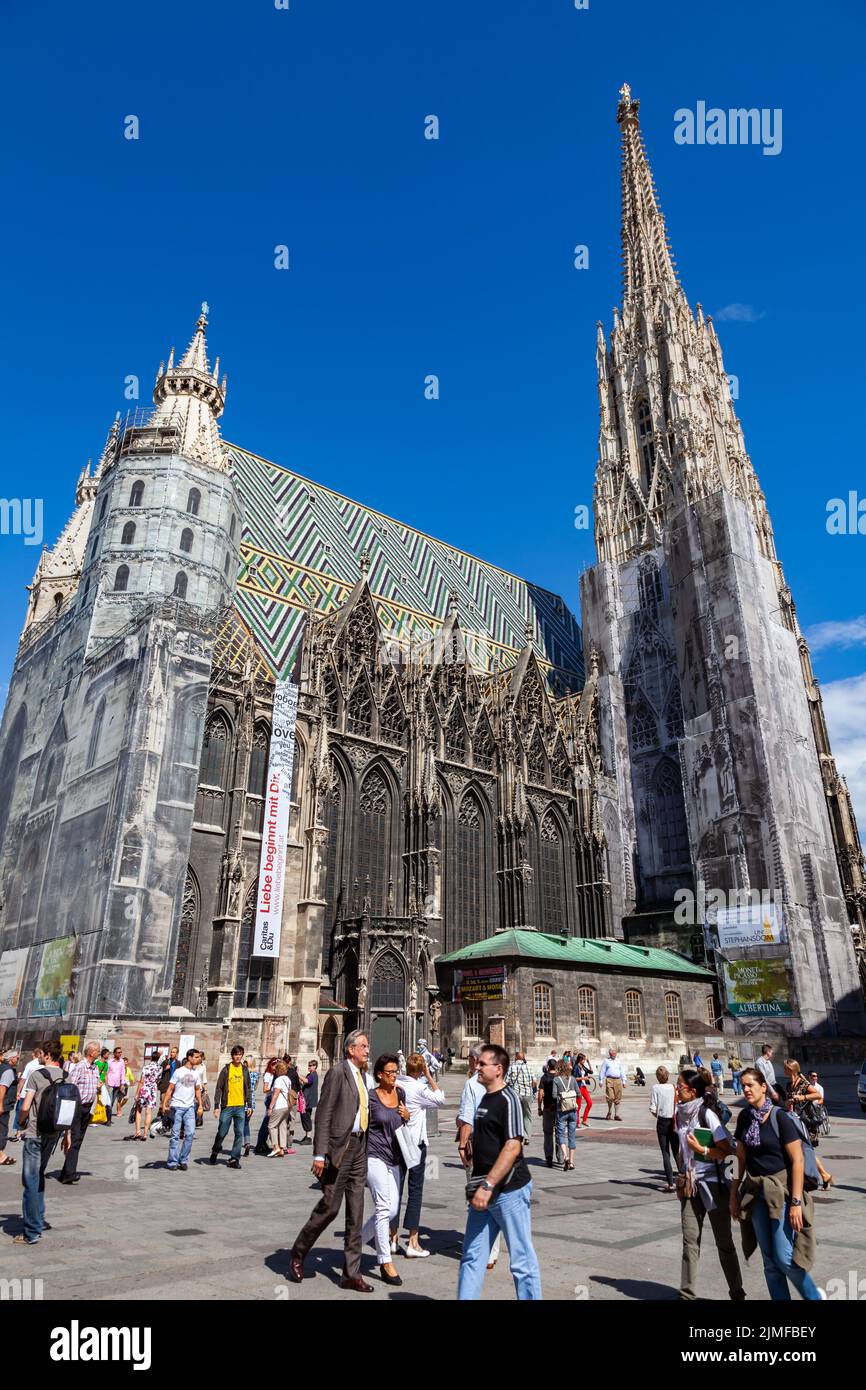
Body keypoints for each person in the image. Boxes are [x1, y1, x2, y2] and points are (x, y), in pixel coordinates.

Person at [288, 1029, 374, 1291]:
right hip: (340, 1148)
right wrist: (319, 1153)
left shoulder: (363, 1076)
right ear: (350, 1049)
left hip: (360, 1147)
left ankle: (351, 1273)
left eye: (367, 1046)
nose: (367, 1050)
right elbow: (323, 1114)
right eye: (363, 1046)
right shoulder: (338, 1073)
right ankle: (299, 1252)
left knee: (356, 1212)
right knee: (330, 1207)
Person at [730, 1066, 824, 1301]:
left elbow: (798, 1159)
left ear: (764, 1087)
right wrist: (734, 1194)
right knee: (769, 1261)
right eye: (743, 1086)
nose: (746, 1089)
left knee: (783, 1257)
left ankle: (813, 1296)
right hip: (756, 1192)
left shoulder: (780, 1117)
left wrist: (795, 1202)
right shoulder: (744, 1118)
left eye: (750, 1085)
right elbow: (740, 1158)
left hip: (781, 1192)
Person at [457, 1044, 541, 1300]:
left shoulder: (508, 1099)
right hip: (484, 1191)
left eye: (482, 1064)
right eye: (477, 1063)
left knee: (521, 1259)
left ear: (499, 1069)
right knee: (472, 1255)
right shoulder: (484, 1098)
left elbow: (513, 1145)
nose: (477, 1067)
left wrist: (488, 1185)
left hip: (507, 1190)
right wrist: (468, 1144)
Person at [675, 1068, 744, 1302]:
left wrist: (702, 1150)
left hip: (713, 1185)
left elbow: (727, 1149)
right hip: (690, 1185)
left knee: (723, 1242)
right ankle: (687, 1295)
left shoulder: (707, 1114)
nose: (677, 1090)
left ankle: (737, 1292)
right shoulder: (680, 1114)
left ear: (692, 1091)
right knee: (689, 1241)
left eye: (680, 1087)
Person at [15, 1039, 78, 1245]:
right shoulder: (66, 1076)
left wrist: (21, 1123)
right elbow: (68, 1109)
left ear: (47, 1055)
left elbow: (25, 1106)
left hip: (34, 1132)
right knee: (38, 1175)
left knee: (30, 1181)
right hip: (54, 1133)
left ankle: (31, 1231)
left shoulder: (36, 1075)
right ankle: (39, 1218)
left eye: (41, 1053)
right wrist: (67, 1136)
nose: (39, 1056)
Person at [360, 1053, 409, 1286]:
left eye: (396, 1071)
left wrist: (407, 1116)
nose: (394, 1076)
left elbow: (401, 1120)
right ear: (379, 1074)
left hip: (395, 1157)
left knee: (391, 1211)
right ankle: (385, 1262)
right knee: (382, 1207)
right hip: (374, 1155)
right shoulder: (370, 1097)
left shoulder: (400, 1093)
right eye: (390, 1072)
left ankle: (356, 1241)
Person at [395, 1052, 444, 1256]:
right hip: (415, 1145)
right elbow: (440, 1099)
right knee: (415, 1191)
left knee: (395, 1190)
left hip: (397, 1143)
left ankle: (391, 1238)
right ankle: (413, 1242)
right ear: (422, 1069)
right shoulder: (419, 1088)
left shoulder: (397, 1084)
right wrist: (430, 1076)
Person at [458, 1047, 503, 1269]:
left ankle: (479, 1249)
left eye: (471, 1059)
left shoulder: (471, 1084)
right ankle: (492, 1251)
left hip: (477, 1146)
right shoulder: (501, 1086)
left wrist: (462, 1144)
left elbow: (467, 1118)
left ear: (476, 1061)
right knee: (493, 1197)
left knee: (476, 1197)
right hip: (498, 1149)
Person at [784, 1059, 833, 1190]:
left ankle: (821, 1175)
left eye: (785, 1067)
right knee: (805, 1150)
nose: (783, 1070)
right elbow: (787, 1102)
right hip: (794, 1120)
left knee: (806, 1150)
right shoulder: (789, 1085)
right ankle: (824, 1175)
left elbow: (817, 1095)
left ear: (791, 1069)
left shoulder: (803, 1083)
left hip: (807, 1121)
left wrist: (802, 1098)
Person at [60, 1041, 100, 1181]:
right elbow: (70, 1086)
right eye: (97, 1050)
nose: (99, 1052)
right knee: (75, 1139)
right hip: (77, 1107)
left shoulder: (95, 1068)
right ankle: (69, 1173)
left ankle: (66, 1172)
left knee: (79, 1139)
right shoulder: (79, 1067)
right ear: (91, 1052)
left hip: (88, 1108)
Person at [211, 1045, 253, 1168]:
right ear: (232, 1056)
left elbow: (249, 1088)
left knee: (239, 1133)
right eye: (236, 1054)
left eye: (240, 1054)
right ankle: (215, 1149)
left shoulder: (245, 1070)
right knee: (222, 1132)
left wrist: (249, 1104)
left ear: (242, 1055)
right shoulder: (226, 1070)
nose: (238, 1056)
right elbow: (219, 1088)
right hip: (227, 1106)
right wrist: (216, 1106)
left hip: (240, 1106)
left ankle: (234, 1159)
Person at [162, 1049, 203, 1171]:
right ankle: (172, 1162)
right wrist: (164, 1104)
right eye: (196, 1057)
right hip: (177, 1107)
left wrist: (200, 1105)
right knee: (175, 1135)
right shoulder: (179, 1072)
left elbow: (197, 1090)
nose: (198, 1059)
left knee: (190, 1134)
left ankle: (183, 1160)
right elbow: (170, 1089)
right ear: (189, 1057)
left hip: (190, 1108)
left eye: (198, 1057)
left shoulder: (196, 1073)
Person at [649, 1065, 678, 1192]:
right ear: (667, 1075)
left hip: (662, 1122)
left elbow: (653, 1108)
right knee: (677, 1152)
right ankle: (684, 1179)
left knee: (665, 1153)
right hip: (673, 1121)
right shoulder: (673, 1087)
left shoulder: (655, 1088)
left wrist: (659, 1115)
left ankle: (671, 1183)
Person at [553, 1060, 579, 1171]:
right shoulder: (572, 1079)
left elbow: (554, 1095)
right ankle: (572, 1162)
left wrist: (562, 1096)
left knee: (560, 1134)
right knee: (572, 1136)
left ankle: (565, 1157)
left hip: (561, 1110)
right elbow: (578, 1093)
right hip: (573, 1110)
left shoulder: (556, 1080)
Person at [505, 1050, 536, 1144]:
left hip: (516, 1094)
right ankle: (527, 1137)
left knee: (516, 1115)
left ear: (516, 1058)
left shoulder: (512, 1067)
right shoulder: (529, 1067)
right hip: (527, 1094)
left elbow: (506, 1081)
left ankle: (517, 1136)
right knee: (527, 1115)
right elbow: (534, 1081)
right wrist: (532, 1090)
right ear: (523, 1058)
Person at [267, 1061, 296, 1157]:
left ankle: (275, 1147)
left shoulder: (278, 1080)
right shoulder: (287, 1079)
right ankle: (282, 1149)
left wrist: (270, 1107)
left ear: (279, 1070)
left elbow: (275, 1095)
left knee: (271, 1126)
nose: (274, 1070)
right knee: (282, 1126)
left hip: (279, 1106)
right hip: (287, 1106)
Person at [132, 1054, 161, 1142]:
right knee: (148, 1112)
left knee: (139, 1110)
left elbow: (141, 1081)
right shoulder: (160, 1068)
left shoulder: (146, 1067)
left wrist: (137, 1093)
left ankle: (138, 1132)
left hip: (144, 1089)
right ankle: (145, 1134)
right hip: (152, 1090)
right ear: (158, 1058)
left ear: (151, 1058)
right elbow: (158, 1080)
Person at [537, 1059, 559, 1168]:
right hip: (559, 1108)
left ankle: (549, 1157)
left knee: (548, 1133)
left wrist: (539, 1107)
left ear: (548, 1067)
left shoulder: (544, 1077)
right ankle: (560, 1156)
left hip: (547, 1108)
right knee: (559, 1131)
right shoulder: (559, 1077)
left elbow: (540, 1094)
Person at [254, 1058, 278, 1154]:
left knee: (269, 1123)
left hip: (273, 1099)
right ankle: (259, 1145)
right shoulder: (268, 1075)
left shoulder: (275, 1074)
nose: (275, 1067)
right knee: (266, 1123)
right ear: (270, 1065)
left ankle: (264, 1144)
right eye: (274, 1065)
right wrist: (274, 1089)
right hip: (269, 1099)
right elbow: (265, 1089)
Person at [0, 1048, 20, 1166]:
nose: (18, 1059)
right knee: (2, 1130)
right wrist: (1, 1105)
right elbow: (2, 1088)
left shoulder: (2, 1067)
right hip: (4, 1104)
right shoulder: (7, 1071)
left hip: (5, 1103)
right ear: (11, 1059)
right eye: (17, 1057)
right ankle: (1, 1156)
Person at [598, 1046, 628, 1120]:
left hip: (618, 1080)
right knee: (610, 1097)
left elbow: (622, 1071)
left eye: (615, 1053)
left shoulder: (618, 1061)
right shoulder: (606, 1061)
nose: (614, 1055)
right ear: (610, 1054)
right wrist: (600, 1080)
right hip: (609, 1080)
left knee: (618, 1098)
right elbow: (602, 1071)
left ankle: (616, 1115)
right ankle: (609, 1111)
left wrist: (624, 1081)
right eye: (612, 1054)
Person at [298, 1060, 319, 1145]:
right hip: (306, 1099)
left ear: (315, 1066)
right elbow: (303, 1082)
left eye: (311, 1065)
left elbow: (307, 1081)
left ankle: (309, 1137)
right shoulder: (310, 1075)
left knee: (306, 1118)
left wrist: (297, 1074)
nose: (309, 1067)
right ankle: (307, 1135)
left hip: (308, 1100)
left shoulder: (313, 1075)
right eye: (309, 1065)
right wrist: (299, 1078)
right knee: (305, 1117)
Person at [572, 1053, 594, 1127]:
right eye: (584, 1059)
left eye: (585, 1059)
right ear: (580, 1059)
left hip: (584, 1087)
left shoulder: (583, 1066)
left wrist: (589, 1062)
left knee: (590, 1103)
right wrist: (583, 1078)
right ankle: (577, 1122)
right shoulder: (576, 1067)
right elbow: (574, 1078)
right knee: (578, 1105)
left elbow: (591, 1071)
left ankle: (584, 1120)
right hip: (578, 1087)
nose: (584, 1061)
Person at [106, 1046, 126, 1121]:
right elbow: (106, 1073)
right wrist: (106, 1083)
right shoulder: (110, 1062)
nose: (120, 1054)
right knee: (109, 1101)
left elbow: (123, 1073)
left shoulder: (122, 1061)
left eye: (121, 1052)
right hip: (110, 1084)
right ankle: (108, 1118)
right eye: (118, 1052)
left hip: (117, 1084)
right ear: (114, 1053)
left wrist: (122, 1083)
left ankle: (107, 1116)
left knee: (113, 1101)